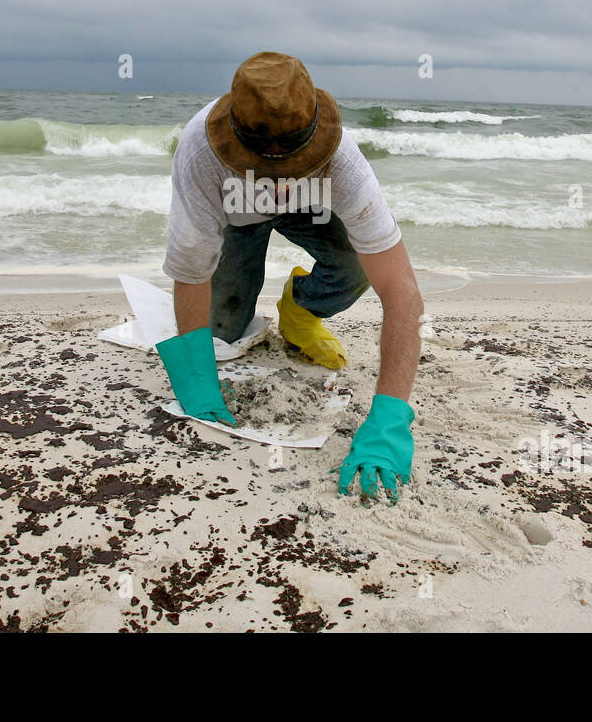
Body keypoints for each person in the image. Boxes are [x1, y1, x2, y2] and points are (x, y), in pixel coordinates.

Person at [154, 52, 424, 499]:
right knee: (223, 334)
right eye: (264, 165)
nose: (277, 183)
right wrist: (196, 371)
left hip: (312, 209)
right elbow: (191, 268)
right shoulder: (201, 155)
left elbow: (401, 290)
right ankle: (237, 320)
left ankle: (300, 309)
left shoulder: (343, 163)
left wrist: (391, 414)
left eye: (291, 166)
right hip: (235, 216)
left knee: (357, 267)